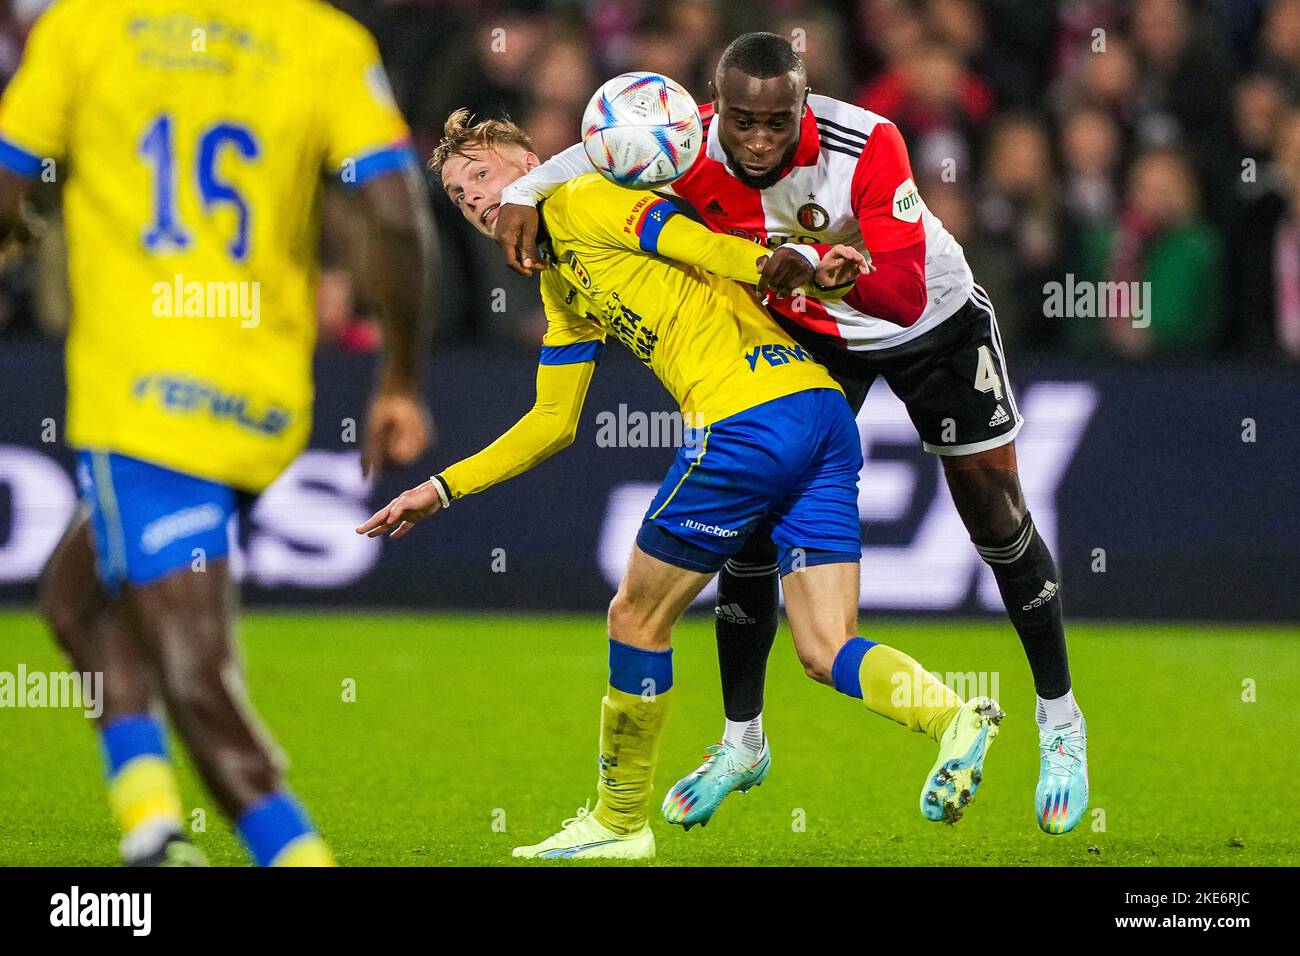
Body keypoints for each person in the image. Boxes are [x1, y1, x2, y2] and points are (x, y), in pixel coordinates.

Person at [357, 108, 1004, 861]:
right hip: (820, 414)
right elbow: (553, 422)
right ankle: (953, 717)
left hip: (745, 422)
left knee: (634, 618)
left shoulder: (585, 199)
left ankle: (618, 820)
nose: (471, 199)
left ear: (530, 165)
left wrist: (779, 261)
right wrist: (440, 488)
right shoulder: (561, 285)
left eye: (481, 174)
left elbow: (688, 238)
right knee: (827, 648)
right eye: (458, 195)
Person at [493, 32, 1088, 836]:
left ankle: (1060, 721)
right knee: (752, 522)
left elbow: (907, 293)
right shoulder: (687, 139)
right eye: (742, 122)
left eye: (777, 123)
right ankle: (742, 741)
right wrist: (526, 188)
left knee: (995, 517)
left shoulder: (867, 143)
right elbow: (595, 153)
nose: (760, 140)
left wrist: (811, 263)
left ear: (802, 108)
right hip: (813, 336)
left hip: (930, 326)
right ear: (717, 109)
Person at [0, 0, 436, 866]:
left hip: (143, 390)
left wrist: (18, 229)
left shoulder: (83, 29)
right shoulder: (324, 39)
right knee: (77, 598)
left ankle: (294, 853)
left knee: (196, 677)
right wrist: (398, 378)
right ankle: (153, 826)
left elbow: (7, 182)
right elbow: (395, 216)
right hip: (265, 395)